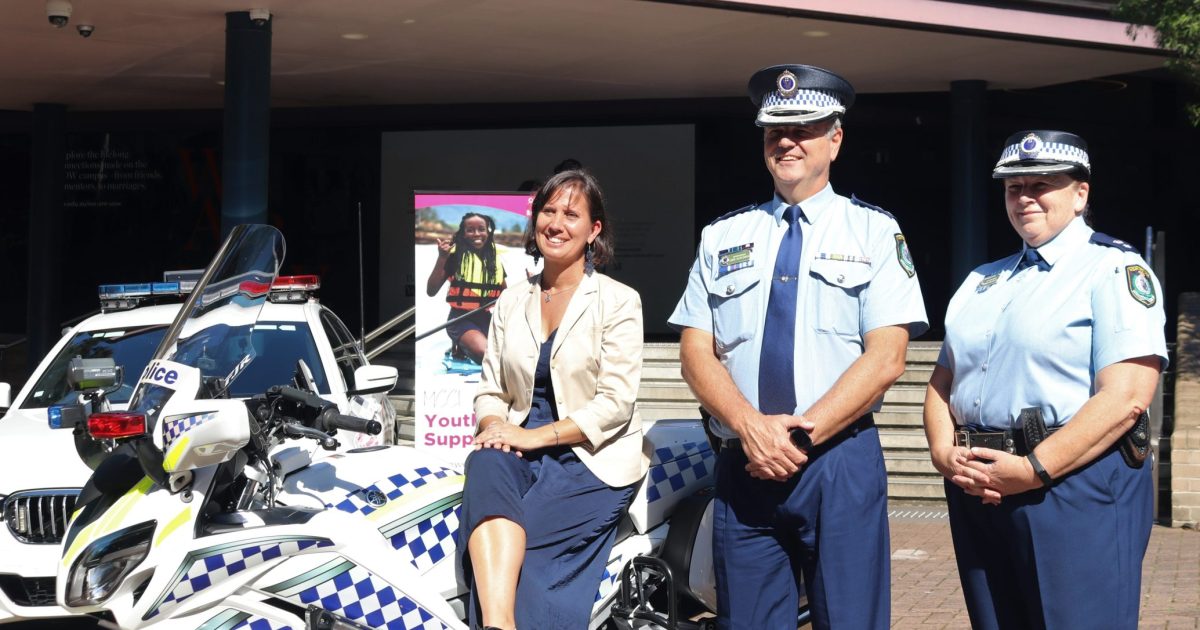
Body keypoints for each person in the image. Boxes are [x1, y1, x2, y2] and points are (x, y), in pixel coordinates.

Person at [669, 64, 928, 629]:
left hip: (838, 459)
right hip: (746, 459)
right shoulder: (723, 236)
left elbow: (887, 357)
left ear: (836, 138)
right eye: (773, 131)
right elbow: (695, 353)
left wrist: (801, 432)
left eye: (804, 128)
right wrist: (751, 428)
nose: (786, 141)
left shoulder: (875, 232)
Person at [923, 130, 1167, 629]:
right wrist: (944, 455)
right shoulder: (982, 280)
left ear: (1081, 194)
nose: (1025, 197)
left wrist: (1033, 468)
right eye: (1014, 187)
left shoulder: (1114, 269)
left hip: (1072, 483)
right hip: (981, 486)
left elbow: (1127, 396)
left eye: (1042, 184)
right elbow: (942, 380)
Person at [457, 169, 648, 630]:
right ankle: (499, 624)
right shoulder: (511, 299)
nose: (557, 223)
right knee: (483, 466)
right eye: (548, 211)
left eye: (571, 214)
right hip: (521, 441)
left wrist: (533, 437)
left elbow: (615, 403)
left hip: (591, 454)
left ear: (593, 230)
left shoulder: (619, 301)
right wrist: (492, 426)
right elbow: (492, 390)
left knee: (530, 549)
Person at [426, 212, 506, 363]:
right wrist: (442, 257)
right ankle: (462, 344)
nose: (477, 234)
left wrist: (531, 284)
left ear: (488, 232)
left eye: (481, 229)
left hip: (485, 318)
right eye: (470, 230)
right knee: (485, 352)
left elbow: (506, 295)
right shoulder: (454, 257)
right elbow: (431, 291)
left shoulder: (494, 260)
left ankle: (462, 347)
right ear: (463, 234)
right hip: (459, 319)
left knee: (511, 353)